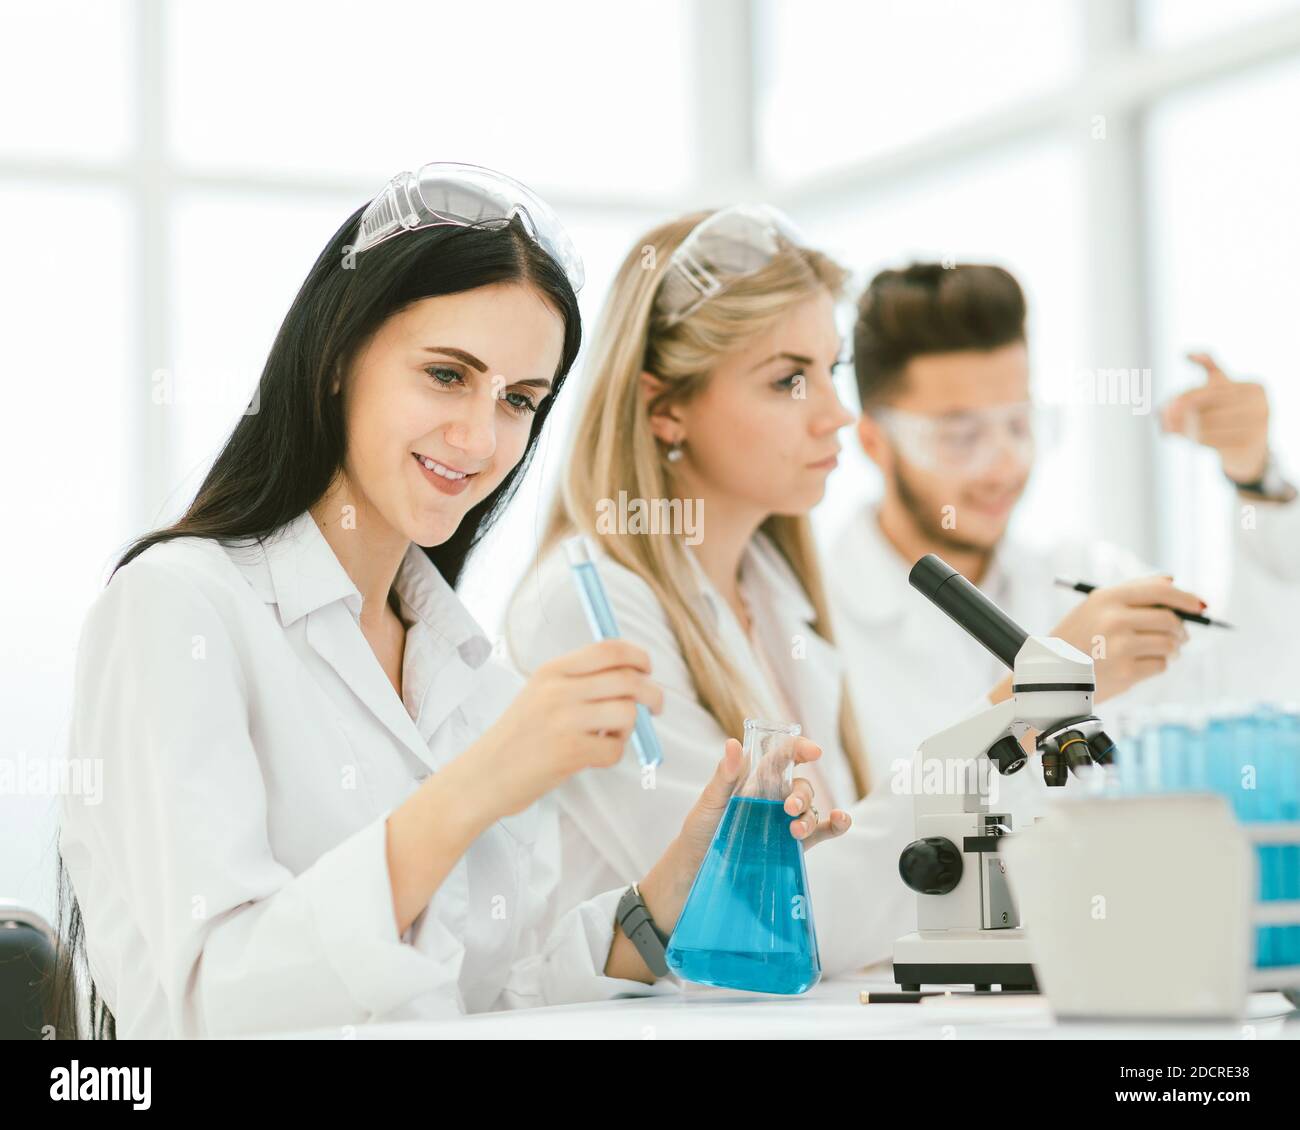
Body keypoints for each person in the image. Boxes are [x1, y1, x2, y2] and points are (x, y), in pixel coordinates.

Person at [53, 165, 844, 1039]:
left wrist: (668, 896)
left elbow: (499, 999)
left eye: (518, 400)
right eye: (444, 375)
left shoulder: (466, 672)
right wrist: (476, 787)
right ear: (336, 358)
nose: (480, 437)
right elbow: (207, 1001)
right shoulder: (178, 610)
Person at [505, 205, 914, 976]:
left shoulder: (775, 592)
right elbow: (764, 919)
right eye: (790, 379)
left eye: (835, 370)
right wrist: (989, 745)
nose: (836, 414)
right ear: (666, 410)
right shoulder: (590, 606)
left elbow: (846, 864)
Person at [826, 262, 1300, 811]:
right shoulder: (817, 620)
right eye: (960, 436)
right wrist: (1049, 685)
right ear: (875, 442)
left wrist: (1257, 479)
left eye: (1018, 425)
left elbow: (1254, 696)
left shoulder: (1088, 577)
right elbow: (854, 854)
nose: (1001, 466)